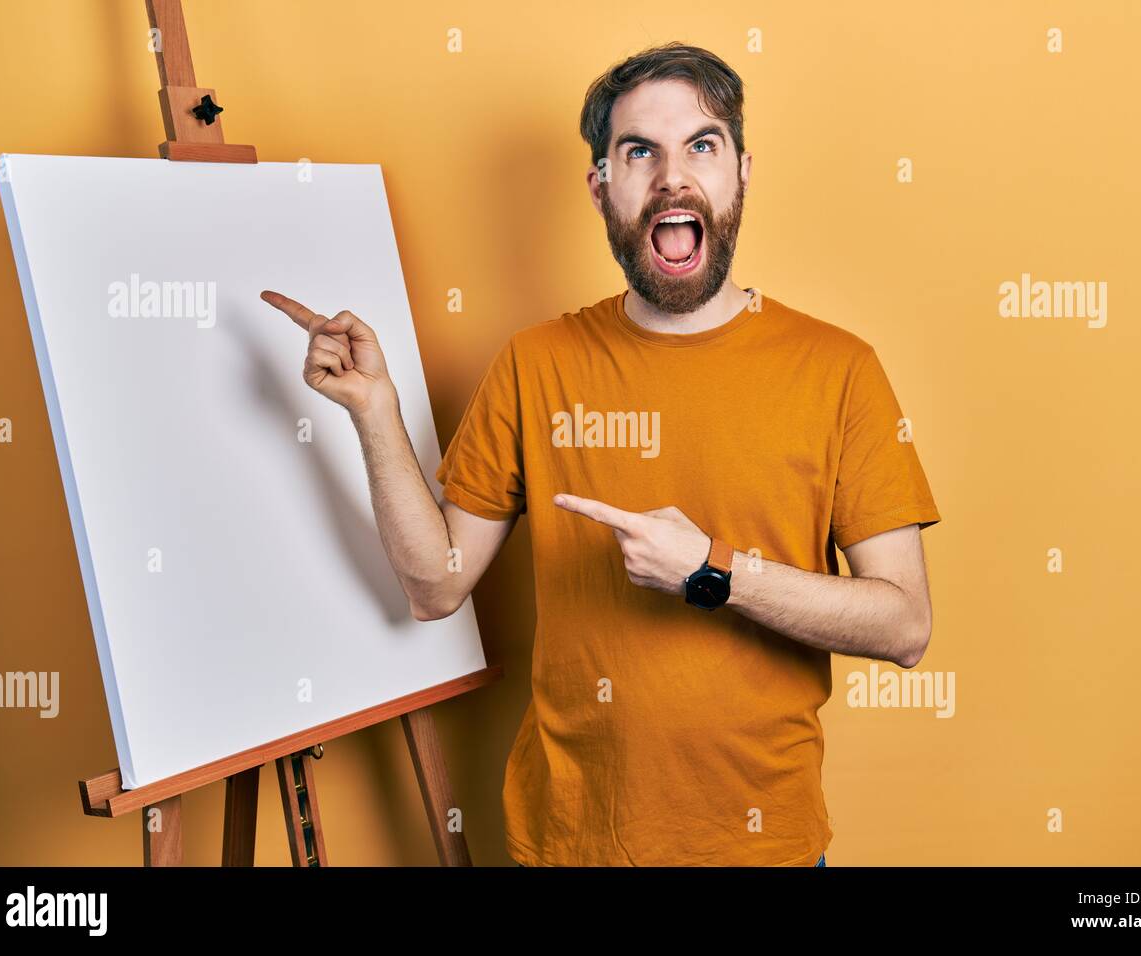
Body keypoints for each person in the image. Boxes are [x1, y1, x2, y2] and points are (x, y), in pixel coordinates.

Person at [261, 42, 941, 867]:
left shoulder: (839, 370)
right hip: (569, 847)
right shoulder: (535, 364)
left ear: (742, 172)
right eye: (638, 152)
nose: (672, 177)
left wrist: (713, 570)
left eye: (701, 145)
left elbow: (905, 624)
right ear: (601, 187)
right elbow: (436, 583)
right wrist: (374, 412)